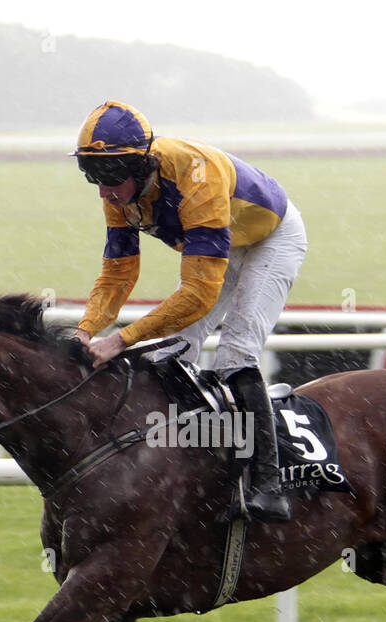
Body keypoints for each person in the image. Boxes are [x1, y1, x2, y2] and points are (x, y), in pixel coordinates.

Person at [71, 101, 308, 523]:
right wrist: (86, 329)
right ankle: (184, 462)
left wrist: (120, 339)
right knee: (171, 353)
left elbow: (199, 293)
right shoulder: (119, 191)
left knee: (235, 353)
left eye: (108, 175)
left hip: (271, 239)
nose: (103, 190)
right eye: (91, 175)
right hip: (222, 245)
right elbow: (118, 275)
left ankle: (269, 485)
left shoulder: (196, 175)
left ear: (142, 165)